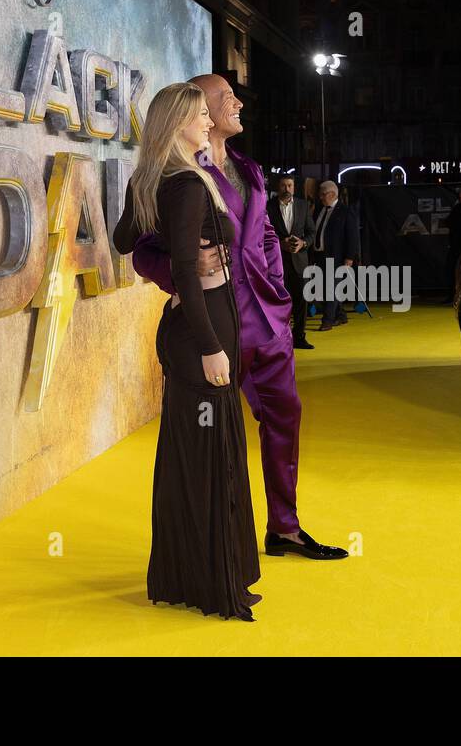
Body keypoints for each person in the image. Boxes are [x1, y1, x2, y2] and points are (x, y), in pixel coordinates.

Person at [117, 74, 347, 561]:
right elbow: (137, 248)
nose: (236, 104)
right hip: (215, 325)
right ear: (196, 109)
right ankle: (214, 546)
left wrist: (278, 293)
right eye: (224, 99)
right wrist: (182, 276)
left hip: (267, 324)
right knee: (213, 436)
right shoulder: (171, 172)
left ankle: (284, 528)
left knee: (286, 417)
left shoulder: (251, 168)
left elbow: (263, 235)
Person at [119, 82, 259, 620]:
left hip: (202, 325)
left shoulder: (164, 178)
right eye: (201, 114)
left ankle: (193, 575)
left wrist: (143, 182)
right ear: (176, 121)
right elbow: (179, 266)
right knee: (208, 455)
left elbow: (125, 237)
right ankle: (207, 582)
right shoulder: (186, 184)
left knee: (198, 453)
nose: (208, 122)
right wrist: (209, 346)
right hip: (201, 334)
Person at [267, 175, 316, 349]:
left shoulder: (303, 206)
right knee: (279, 303)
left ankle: (299, 337)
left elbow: (312, 232)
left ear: (294, 188)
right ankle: (281, 339)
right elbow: (261, 233)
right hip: (276, 263)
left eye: (290, 185)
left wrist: (303, 243)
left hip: (300, 262)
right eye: (283, 185)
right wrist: (279, 244)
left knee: (302, 301)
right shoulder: (268, 207)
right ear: (278, 187)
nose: (287, 189)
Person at [312, 180, 360, 332]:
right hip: (320, 256)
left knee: (331, 289)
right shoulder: (320, 209)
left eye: (323, 194)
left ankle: (327, 320)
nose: (320, 197)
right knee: (327, 288)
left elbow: (353, 236)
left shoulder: (346, 211)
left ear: (332, 194)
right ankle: (341, 315)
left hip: (338, 257)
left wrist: (349, 257)